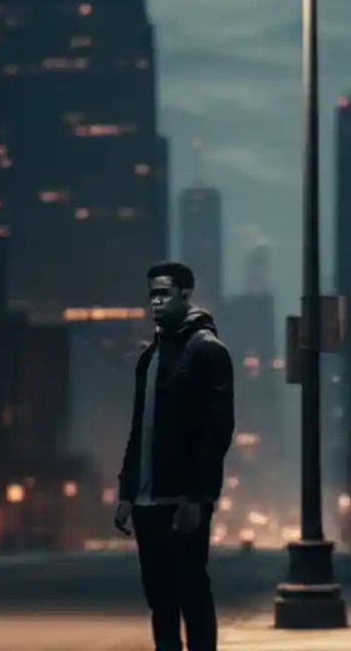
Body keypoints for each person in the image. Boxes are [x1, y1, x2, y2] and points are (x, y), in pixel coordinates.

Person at [114, 260, 235, 651]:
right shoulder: (149, 358)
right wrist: (127, 490)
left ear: (185, 295)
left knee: (192, 594)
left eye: (164, 293)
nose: (156, 301)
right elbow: (139, 428)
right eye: (151, 294)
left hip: (182, 500)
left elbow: (216, 432)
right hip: (148, 503)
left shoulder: (207, 351)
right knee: (160, 600)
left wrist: (197, 496)